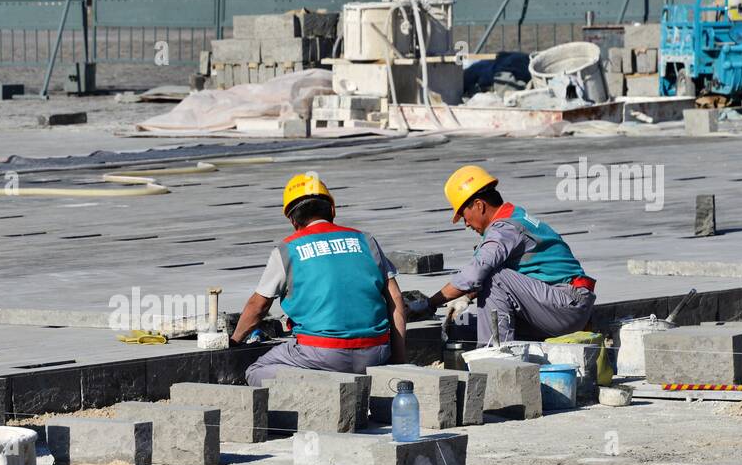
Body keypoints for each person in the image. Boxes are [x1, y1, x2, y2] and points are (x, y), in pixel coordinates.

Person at [235, 173, 407, 386]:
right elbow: (396, 298)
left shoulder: (287, 250)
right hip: (375, 353)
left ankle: (321, 386)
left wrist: (234, 341)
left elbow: (257, 307)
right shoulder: (366, 241)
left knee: (256, 370)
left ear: (292, 219)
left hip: (321, 355)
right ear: (332, 210)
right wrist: (397, 361)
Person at [423, 165, 596, 344]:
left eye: (464, 215)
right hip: (559, 305)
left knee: (493, 277)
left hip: (567, 305)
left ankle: (497, 360)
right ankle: (500, 352)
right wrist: (466, 297)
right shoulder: (513, 218)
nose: (466, 223)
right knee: (465, 328)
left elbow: (475, 273)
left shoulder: (505, 229)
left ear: (479, 205)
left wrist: (429, 304)